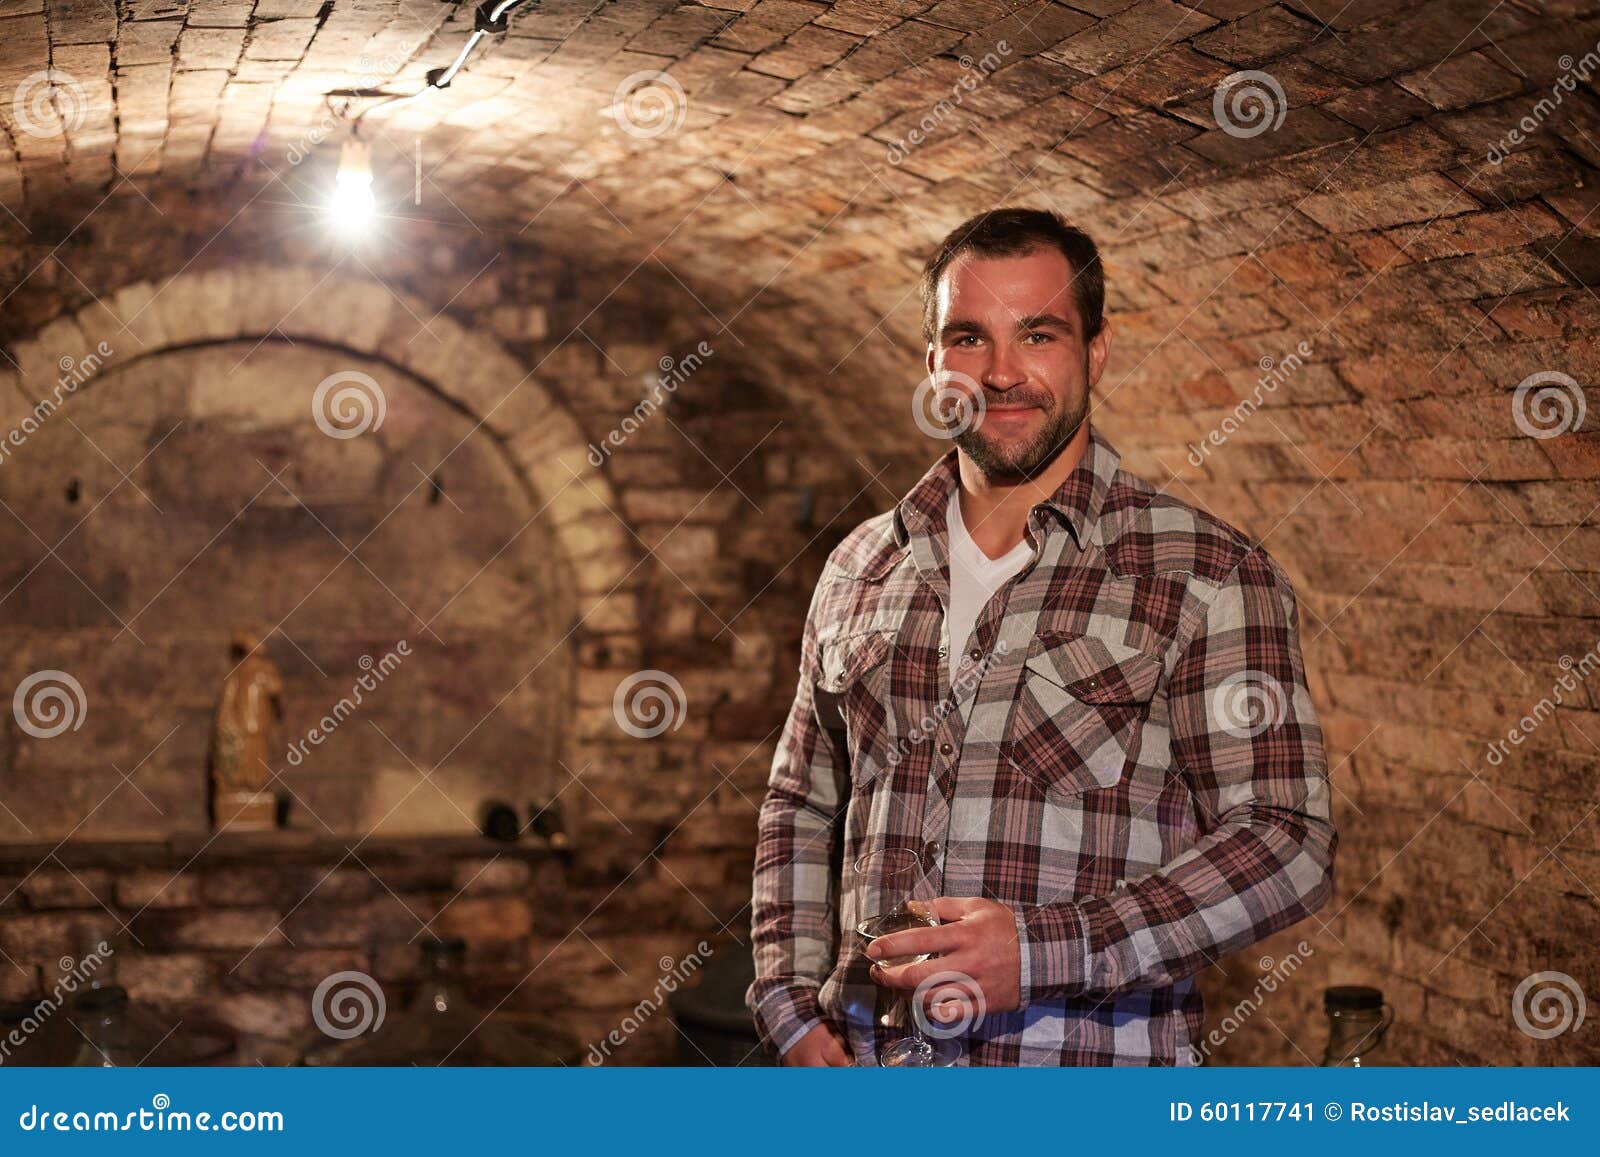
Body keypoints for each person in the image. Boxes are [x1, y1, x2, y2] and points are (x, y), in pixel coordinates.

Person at [746, 207, 1337, 1066]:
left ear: (1095, 352)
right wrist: (790, 1005)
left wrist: (1042, 951)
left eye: (1038, 335)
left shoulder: (1206, 571)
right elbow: (801, 805)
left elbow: (1286, 839)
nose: (1002, 373)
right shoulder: (860, 564)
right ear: (934, 363)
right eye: (969, 339)